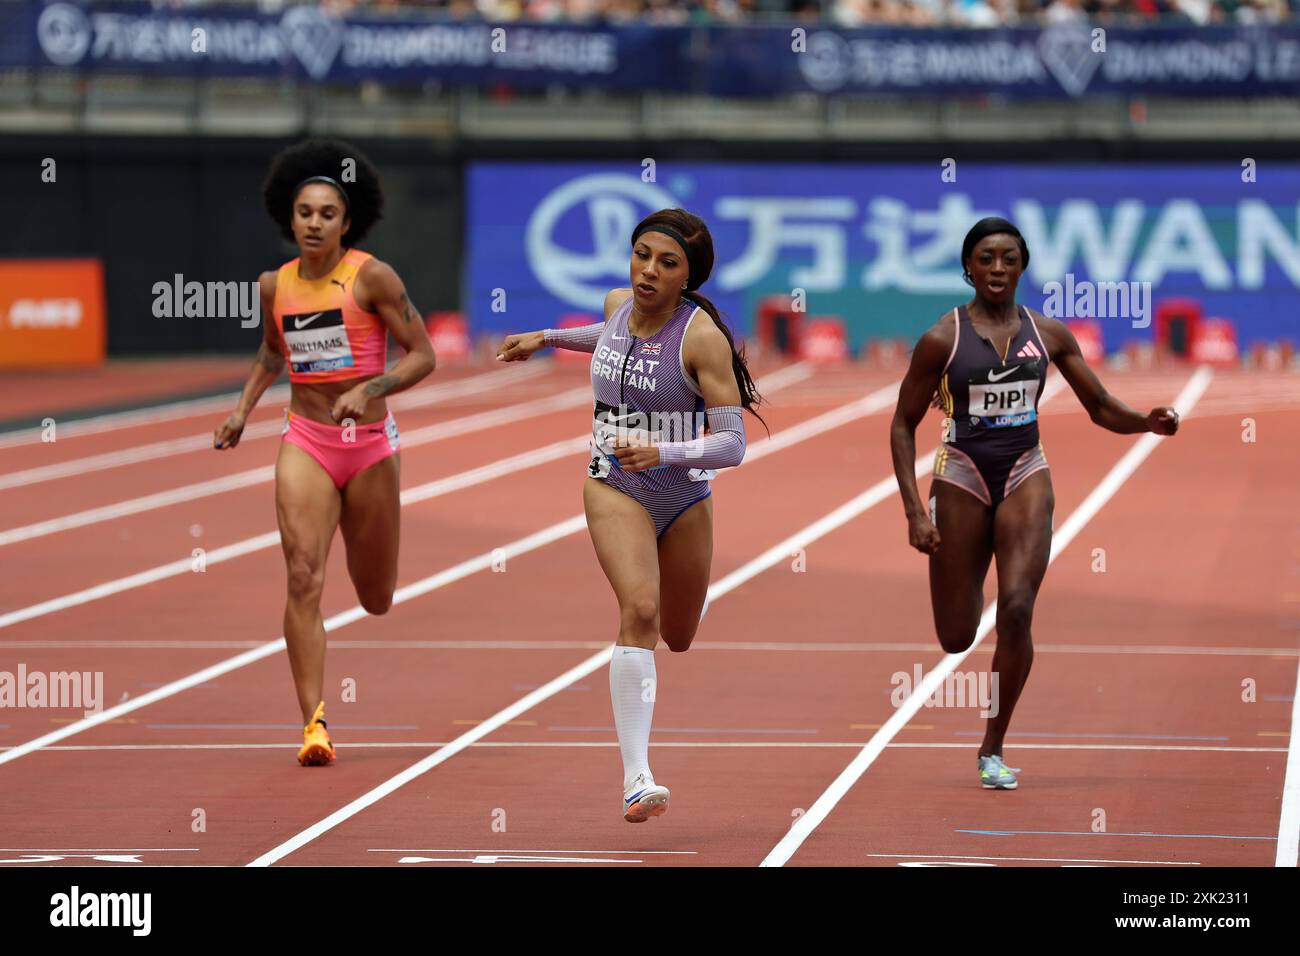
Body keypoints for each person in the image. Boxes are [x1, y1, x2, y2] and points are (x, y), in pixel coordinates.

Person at [889, 216, 1180, 789]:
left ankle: (992, 747)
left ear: (1022, 266)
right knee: (956, 635)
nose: (998, 269)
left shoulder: (1047, 335)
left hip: (1026, 470)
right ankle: (962, 581)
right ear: (967, 267)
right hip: (962, 473)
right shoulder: (942, 340)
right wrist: (914, 513)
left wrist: (1145, 421)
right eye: (987, 259)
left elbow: (1099, 405)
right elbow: (902, 425)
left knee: (1018, 607)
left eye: (1009, 259)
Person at [497, 208, 764, 821]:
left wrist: (664, 450)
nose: (648, 270)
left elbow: (734, 445)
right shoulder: (620, 303)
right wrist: (548, 336)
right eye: (642, 254)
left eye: (666, 263)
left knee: (679, 633)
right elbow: (613, 334)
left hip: (685, 491)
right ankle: (637, 778)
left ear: (688, 277)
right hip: (613, 481)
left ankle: (641, 752)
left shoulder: (702, 340)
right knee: (639, 610)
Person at [213, 139, 436, 766]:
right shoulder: (273, 285)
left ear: (346, 222)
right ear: (290, 217)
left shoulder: (372, 277)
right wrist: (241, 412)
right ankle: (314, 724)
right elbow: (271, 355)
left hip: (367, 447)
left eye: (327, 213)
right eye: (305, 212)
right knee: (303, 574)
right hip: (306, 441)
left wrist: (370, 387)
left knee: (375, 596)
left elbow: (423, 353)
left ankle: (370, 593)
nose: (314, 223)